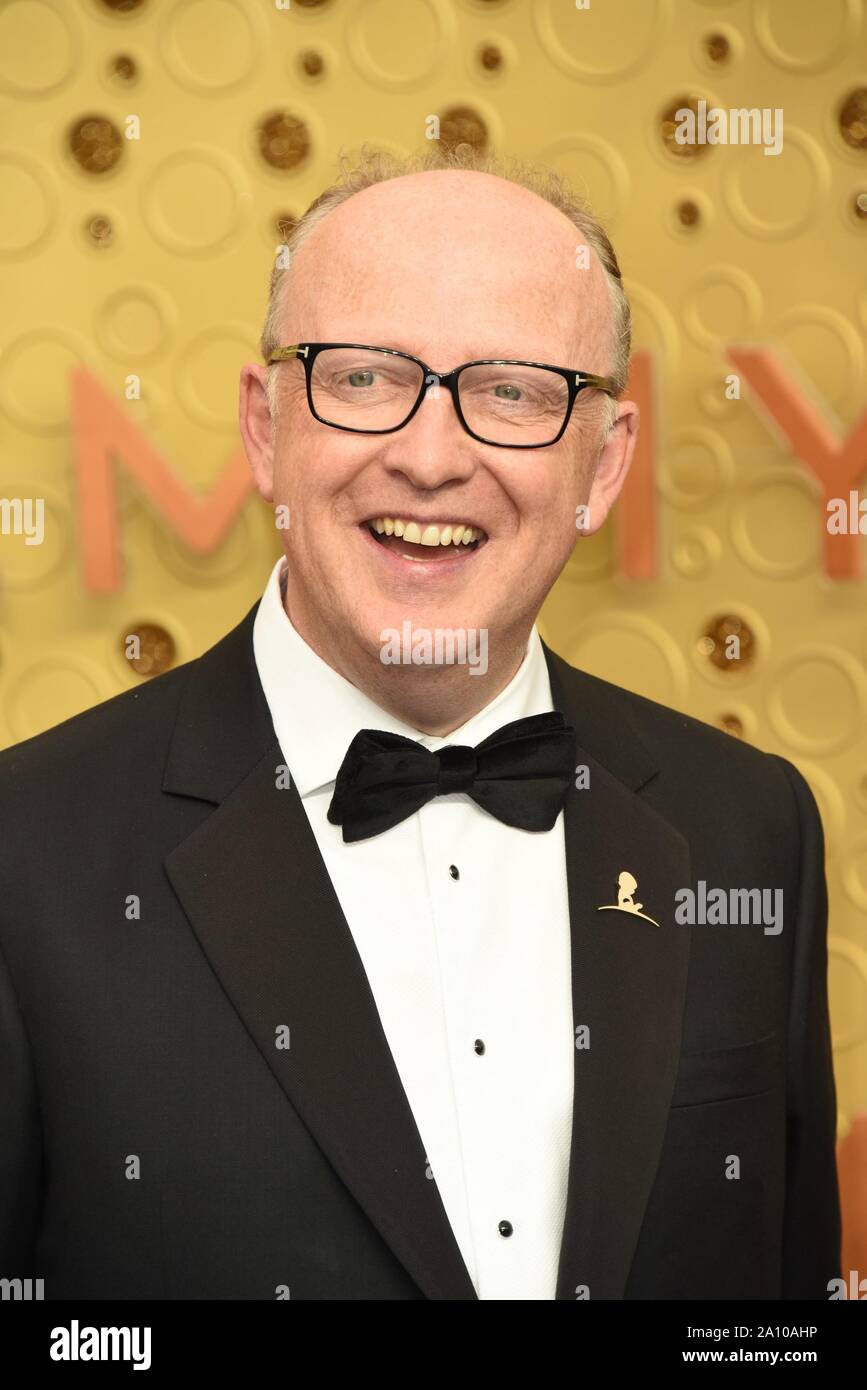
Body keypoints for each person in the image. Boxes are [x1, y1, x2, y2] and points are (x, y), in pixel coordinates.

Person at [0, 145, 840, 1300]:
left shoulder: (752, 827)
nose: (431, 457)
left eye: (511, 391)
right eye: (362, 377)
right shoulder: (25, 849)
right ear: (264, 429)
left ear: (604, 466)